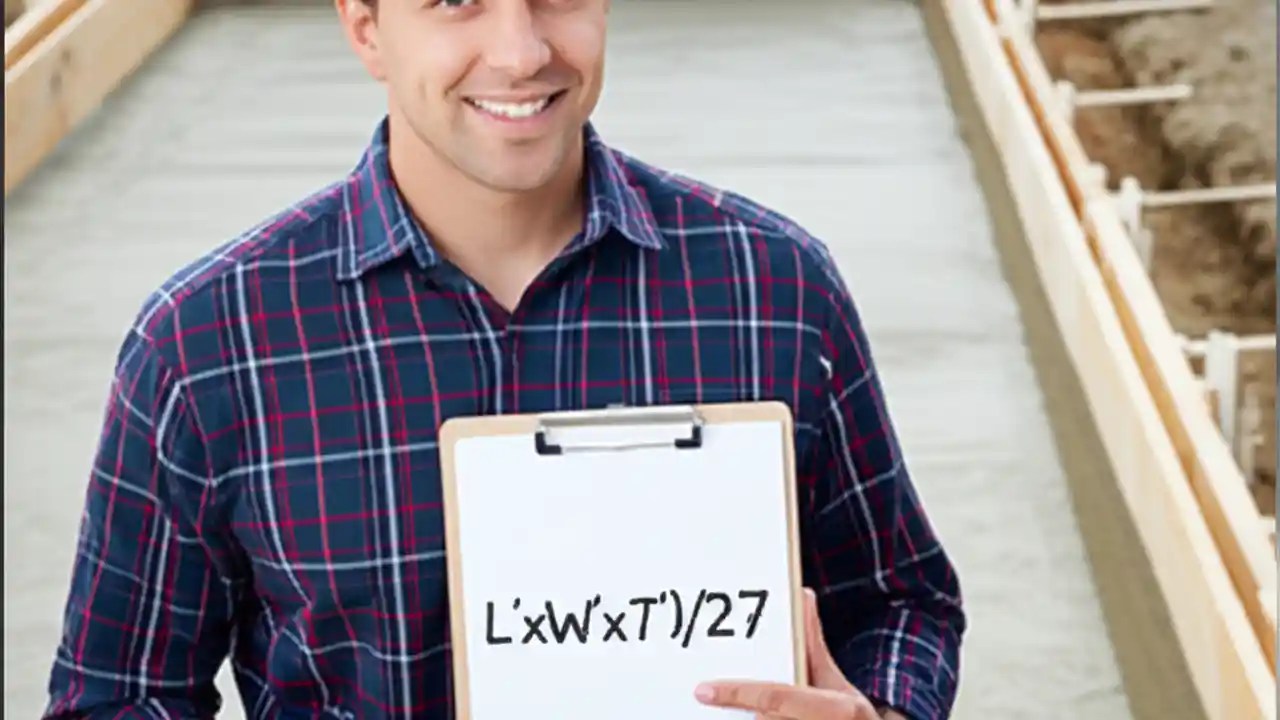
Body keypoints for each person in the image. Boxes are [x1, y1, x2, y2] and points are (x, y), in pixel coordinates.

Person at [43, 0, 965, 718]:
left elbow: (900, 602)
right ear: (367, 29)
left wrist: (874, 712)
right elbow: (118, 695)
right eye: (456, 2)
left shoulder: (775, 292)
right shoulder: (206, 345)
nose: (523, 52)